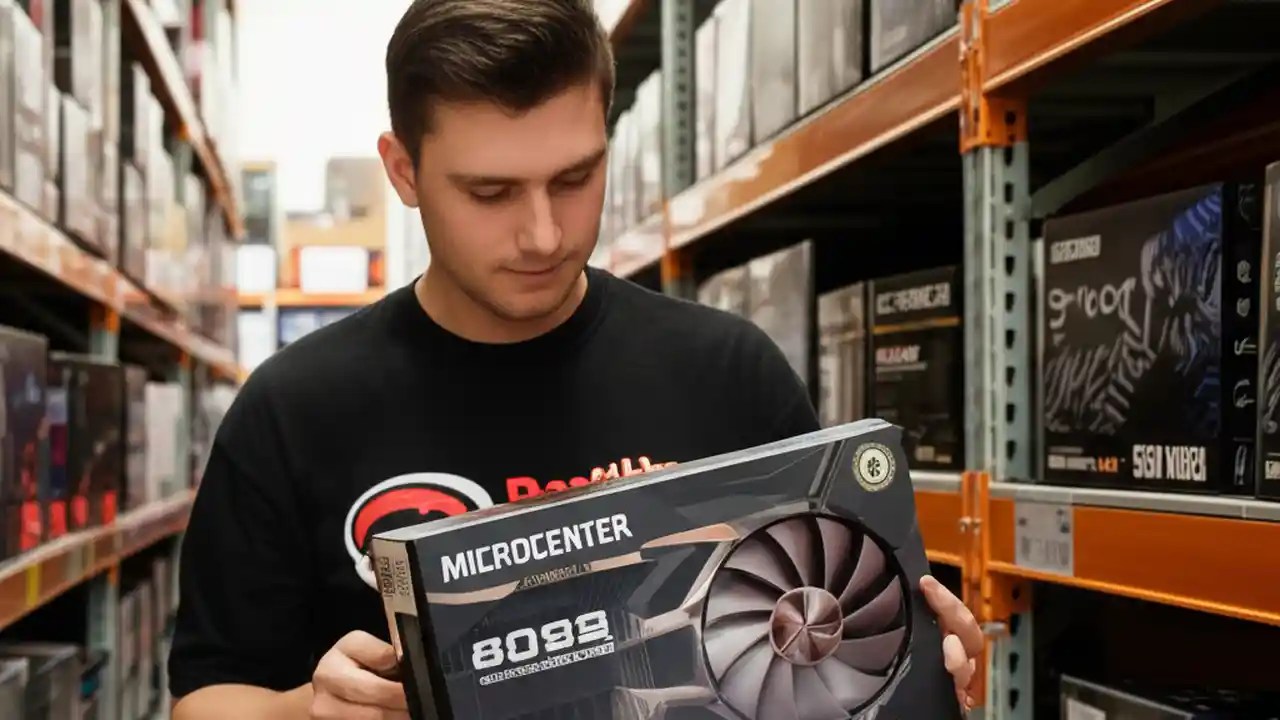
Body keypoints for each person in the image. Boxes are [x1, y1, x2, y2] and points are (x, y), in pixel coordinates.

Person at [168, 1, 984, 718]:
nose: (544, 234)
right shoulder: (293, 409)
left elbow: (823, 631)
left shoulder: (730, 373)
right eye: (490, 193)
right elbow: (206, 698)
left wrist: (905, 670)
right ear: (403, 170)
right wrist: (311, 712)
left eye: (575, 177)